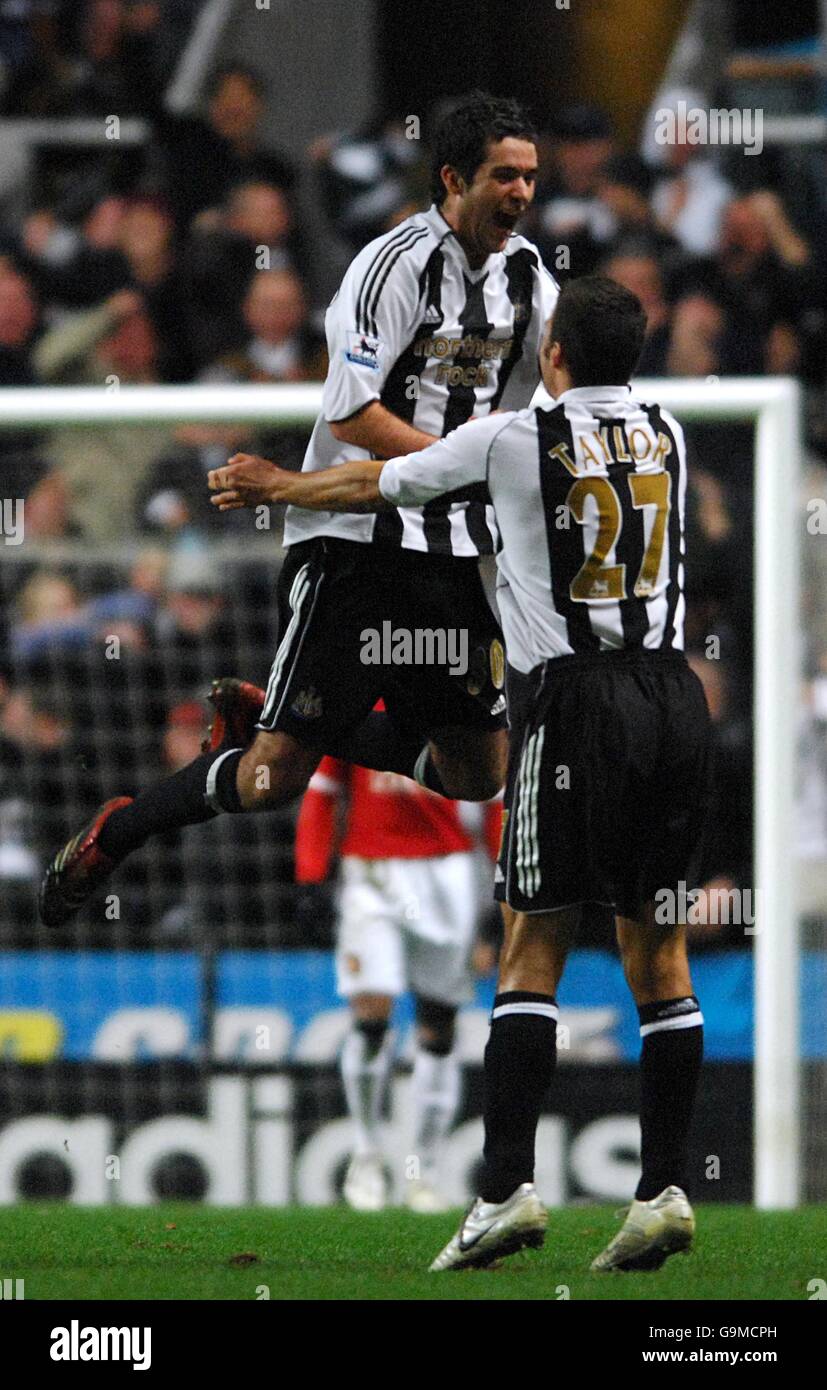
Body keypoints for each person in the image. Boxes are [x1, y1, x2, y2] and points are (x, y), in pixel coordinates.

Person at [213, 275, 710, 1275]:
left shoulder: (511, 438)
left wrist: (279, 487)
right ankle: (660, 1188)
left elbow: (374, 484)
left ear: (554, 356)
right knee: (659, 957)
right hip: (672, 700)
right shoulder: (668, 431)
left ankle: (501, 1193)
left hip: (572, 704)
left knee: (530, 942)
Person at [39, 91, 558, 929]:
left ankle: (268, 710)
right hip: (352, 544)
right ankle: (120, 830)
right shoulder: (388, 268)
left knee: (478, 770)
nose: (522, 194)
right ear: (453, 178)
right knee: (270, 778)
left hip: (457, 553)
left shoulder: (531, 278)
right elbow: (349, 412)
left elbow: (557, 387)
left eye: (531, 177)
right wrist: (455, 465)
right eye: (505, 176)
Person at [295, 737, 501, 1213]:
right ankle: (367, 1153)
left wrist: (497, 887)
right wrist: (311, 874)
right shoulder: (359, 705)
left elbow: (494, 802)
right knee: (371, 1017)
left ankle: (424, 1171)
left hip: (448, 873)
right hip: (371, 872)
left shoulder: (460, 704)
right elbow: (323, 792)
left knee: (438, 1027)